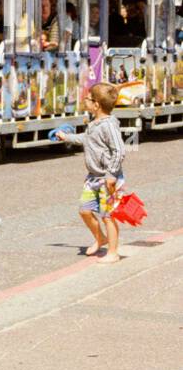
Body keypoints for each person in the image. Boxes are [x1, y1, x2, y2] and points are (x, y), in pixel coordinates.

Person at [55, 83, 126, 262]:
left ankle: (113, 252)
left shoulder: (109, 125)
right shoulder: (94, 123)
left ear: (96, 105)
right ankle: (100, 238)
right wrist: (66, 137)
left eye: (88, 98)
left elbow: (119, 150)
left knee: (108, 216)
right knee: (85, 211)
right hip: (93, 177)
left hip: (108, 179)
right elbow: (86, 139)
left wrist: (111, 175)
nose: (85, 100)